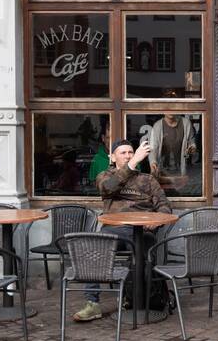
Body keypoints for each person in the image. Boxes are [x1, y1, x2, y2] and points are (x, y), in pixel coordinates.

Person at [72, 138, 174, 323]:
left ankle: (138, 300)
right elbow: (108, 189)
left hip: (143, 230)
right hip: (115, 229)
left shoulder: (147, 180)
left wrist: (156, 221)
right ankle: (92, 303)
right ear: (112, 157)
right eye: (123, 153)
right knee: (96, 244)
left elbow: (165, 206)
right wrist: (133, 163)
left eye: (131, 152)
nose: (128, 156)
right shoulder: (105, 176)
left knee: (145, 250)